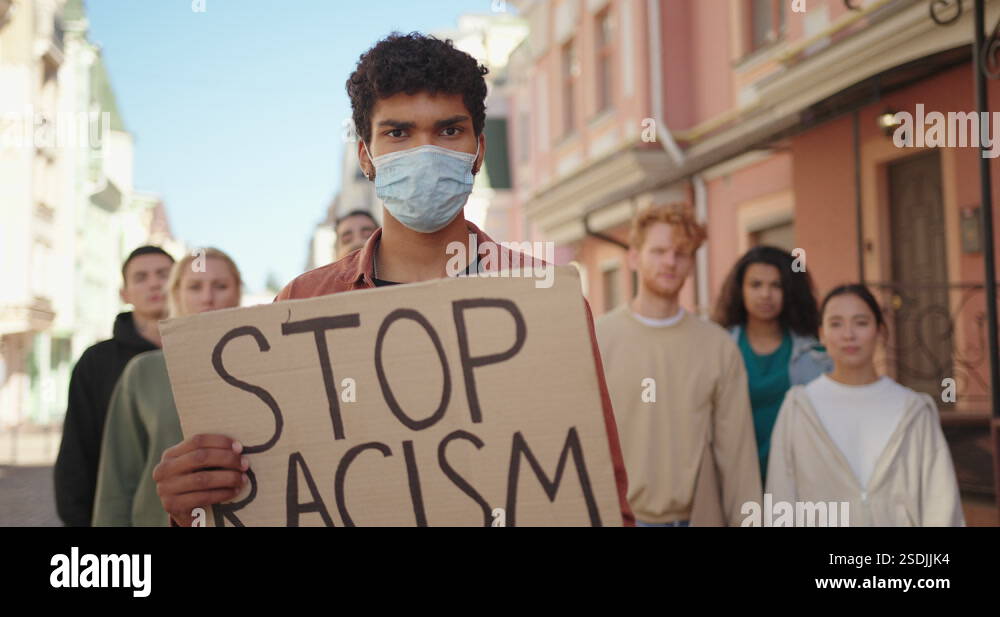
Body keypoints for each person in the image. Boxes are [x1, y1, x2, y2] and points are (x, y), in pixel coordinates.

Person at [151, 32, 635, 527]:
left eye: (448, 131)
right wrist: (196, 503)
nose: (425, 152)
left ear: (479, 150)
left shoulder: (542, 297)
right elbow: (275, 493)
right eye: (398, 133)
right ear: (366, 156)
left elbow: (595, 484)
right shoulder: (304, 303)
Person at [596, 203, 761, 526]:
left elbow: (738, 457)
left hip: (696, 518)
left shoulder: (718, 347)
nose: (670, 261)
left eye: (681, 253)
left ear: (691, 264)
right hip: (616, 519)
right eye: (658, 251)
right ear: (633, 257)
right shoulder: (597, 338)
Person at [766, 284, 965, 526]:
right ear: (821, 334)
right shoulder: (799, 407)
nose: (849, 335)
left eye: (861, 323)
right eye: (836, 324)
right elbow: (780, 496)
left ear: (881, 332)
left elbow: (940, 502)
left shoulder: (913, 409)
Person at [92, 248, 243, 526]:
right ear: (176, 295)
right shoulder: (143, 371)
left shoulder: (260, 366)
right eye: (195, 287)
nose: (208, 297)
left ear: (238, 292)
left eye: (220, 286)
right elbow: (118, 479)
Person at [53, 245, 174, 526]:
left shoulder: (202, 352)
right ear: (125, 293)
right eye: (141, 277)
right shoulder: (97, 362)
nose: (154, 282)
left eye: (163, 274)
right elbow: (77, 450)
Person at [713, 246, 832, 484]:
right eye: (755, 285)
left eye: (776, 286)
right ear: (740, 290)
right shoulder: (719, 348)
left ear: (790, 291)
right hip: (734, 481)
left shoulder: (815, 355)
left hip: (796, 482)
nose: (765, 294)